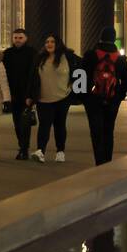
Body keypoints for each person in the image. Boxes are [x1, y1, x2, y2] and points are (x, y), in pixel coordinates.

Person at [81, 26, 127, 166]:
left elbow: (81, 76)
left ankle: (99, 160)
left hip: (93, 100)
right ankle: (108, 161)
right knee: (108, 130)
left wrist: (85, 97)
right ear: (114, 39)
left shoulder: (90, 55)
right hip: (112, 100)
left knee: (96, 131)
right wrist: (118, 97)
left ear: (100, 37)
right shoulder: (121, 59)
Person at [30, 34, 78, 163]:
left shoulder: (68, 57)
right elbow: (32, 77)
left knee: (59, 125)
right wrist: (31, 95)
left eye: (52, 42)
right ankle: (40, 151)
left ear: (58, 43)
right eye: (47, 42)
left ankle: (60, 151)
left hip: (62, 97)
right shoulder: (40, 58)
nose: (49, 44)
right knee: (44, 125)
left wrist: (75, 87)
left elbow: (80, 70)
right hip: (43, 99)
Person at [0, 28, 37, 161]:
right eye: (15, 38)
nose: (17, 40)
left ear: (26, 38)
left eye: (20, 38)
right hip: (13, 94)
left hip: (27, 95)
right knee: (17, 123)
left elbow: (34, 75)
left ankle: (24, 149)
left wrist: (31, 95)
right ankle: (22, 146)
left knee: (25, 123)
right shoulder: (7, 54)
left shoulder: (32, 53)